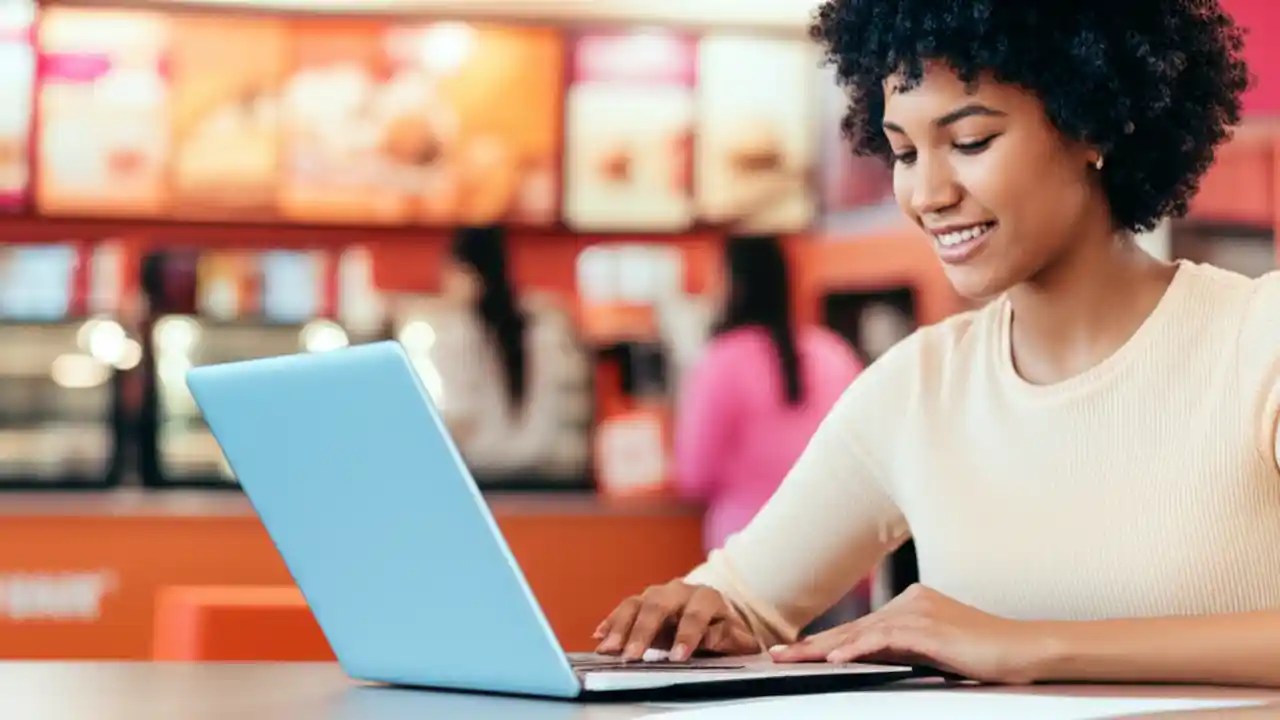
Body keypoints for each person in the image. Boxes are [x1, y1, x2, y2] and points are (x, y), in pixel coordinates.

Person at [594, 0, 1280, 688]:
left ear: (1093, 124)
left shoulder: (1259, 340)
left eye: (971, 141)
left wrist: (1030, 647)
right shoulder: (916, 388)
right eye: (904, 153)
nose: (927, 193)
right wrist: (698, 615)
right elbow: (744, 599)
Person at [672, 236, 867, 625]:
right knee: (836, 664)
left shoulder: (721, 360)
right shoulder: (834, 352)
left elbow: (693, 476)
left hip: (750, 567)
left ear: (733, 283)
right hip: (840, 558)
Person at [425, 225, 589, 484]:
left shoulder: (458, 333)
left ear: (469, 274)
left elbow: (459, 420)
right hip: (548, 479)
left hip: (482, 479)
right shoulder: (545, 326)